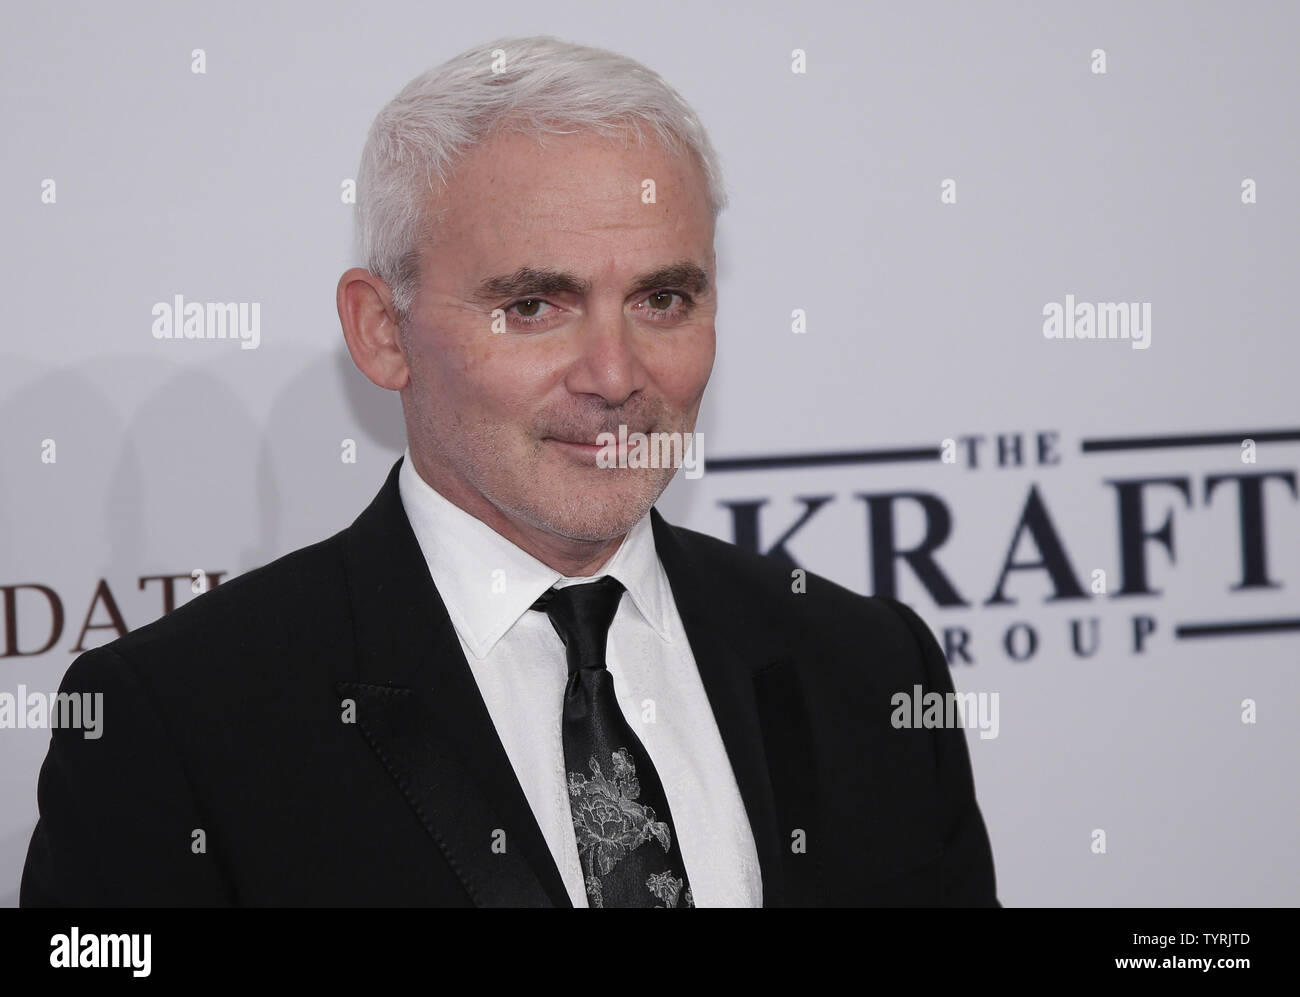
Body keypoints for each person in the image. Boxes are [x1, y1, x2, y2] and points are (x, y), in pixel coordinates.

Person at [21, 35, 998, 907]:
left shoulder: (867, 665)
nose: (615, 376)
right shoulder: (176, 728)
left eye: (661, 297)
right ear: (381, 330)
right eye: (534, 305)